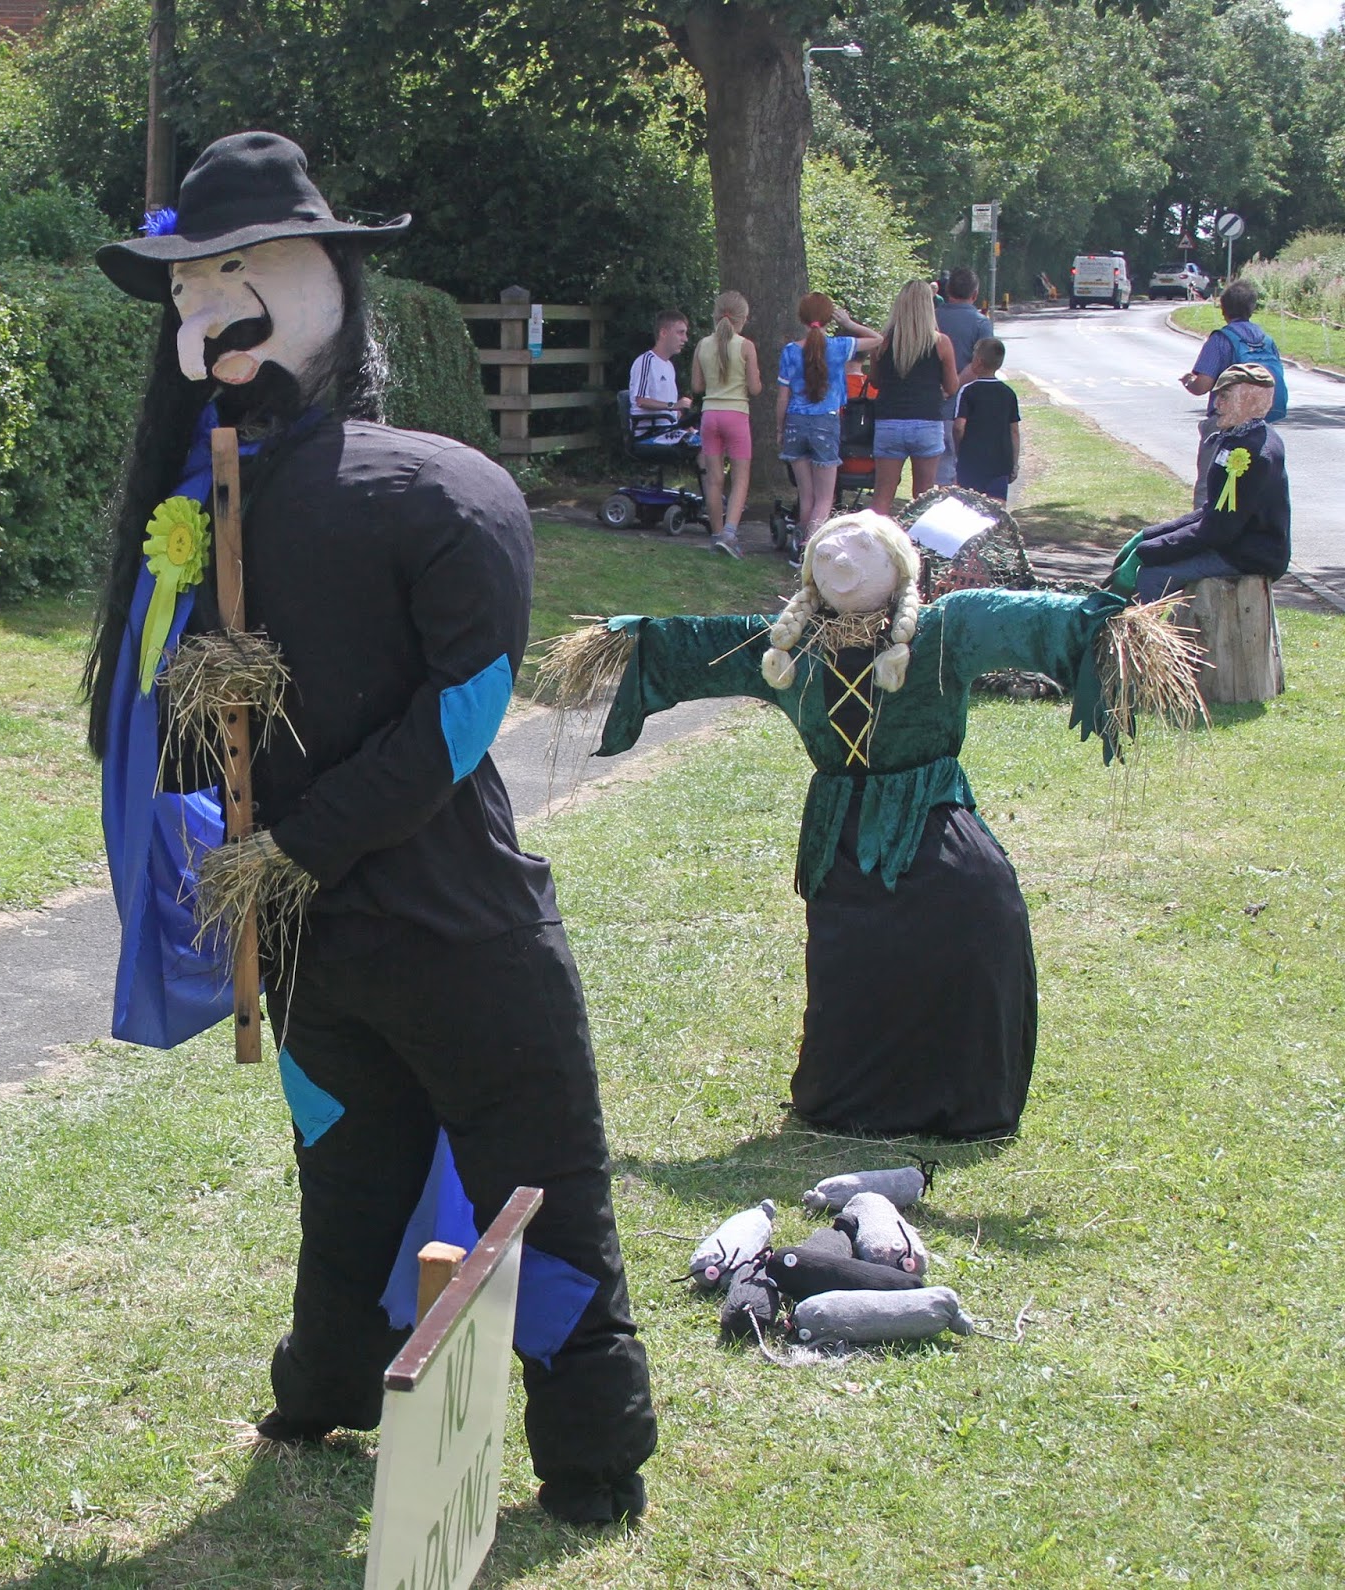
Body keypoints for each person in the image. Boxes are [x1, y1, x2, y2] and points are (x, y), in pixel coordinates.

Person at [85, 131, 656, 1525]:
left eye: (236, 274)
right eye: (184, 291)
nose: (205, 309)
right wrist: (191, 701)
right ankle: (326, 1380)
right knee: (345, 1177)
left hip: (463, 939)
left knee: (545, 1186)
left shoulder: (441, 492)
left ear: (333, 279)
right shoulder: (190, 521)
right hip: (313, 964)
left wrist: (300, 846)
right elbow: (167, 751)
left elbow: (465, 715)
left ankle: (590, 1454)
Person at [549, 512, 1194, 1139]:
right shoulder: (783, 646)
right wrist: (626, 640)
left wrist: (1109, 626)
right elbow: (691, 646)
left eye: (860, 548)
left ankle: (961, 1100)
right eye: (827, 550)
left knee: (965, 945)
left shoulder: (946, 631)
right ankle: (850, 1098)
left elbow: (1036, 624)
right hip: (842, 840)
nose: (841, 559)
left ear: (899, 565)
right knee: (852, 968)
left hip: (935, 830)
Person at [1116, 363, 1289, 603]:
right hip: (1234, 544)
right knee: (1146, 552)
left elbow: (1218, 530)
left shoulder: (1251, 452)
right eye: (1216, 396)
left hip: (1248, 555)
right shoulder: (1241, 438)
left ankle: (1138, 639)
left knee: (1152, 576)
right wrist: (1148, 535)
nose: (1217, 404)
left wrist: (1151, 550)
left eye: (1225, 396)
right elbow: (1213, 510)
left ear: (1250, 400)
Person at [775, 292, 880, 562]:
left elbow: (782, 398)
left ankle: (798, 541)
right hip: (826, 422)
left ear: (802, 318)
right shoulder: (839, 346)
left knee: (806, 495)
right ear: (828, 318)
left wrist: (779, 428)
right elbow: (879, 340)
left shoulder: (789, 351)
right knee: (825, 498)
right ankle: (809, 550)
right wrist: (850, 322)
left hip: (795, 423)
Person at [1180, 279, 1283, 509]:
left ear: (1224, 309)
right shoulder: (1267, 341)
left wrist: (1189, 381)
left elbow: (1203, 385)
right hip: (1260, 424)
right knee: (1255, 483)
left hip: (1223, 424)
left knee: (1209, 483)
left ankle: (1202, 533)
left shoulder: (1221, 339)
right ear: (1251, 308)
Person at [869, 280, 960, 516]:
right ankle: (921, 547)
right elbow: (952, 385)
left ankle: (874, 545)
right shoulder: (940, 343)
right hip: (926, 420)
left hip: (889, 420)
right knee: (924, 496)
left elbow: (876, 382)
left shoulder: (883, 341)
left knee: (882, 495)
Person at [692, 289, 762, 559]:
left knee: (714, 479)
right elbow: (754, 389)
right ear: (743, 319)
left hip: (710, 415)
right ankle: (730, 534)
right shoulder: (746, 346)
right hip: (736, 415)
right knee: (741, 477)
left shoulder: (702, 345)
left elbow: (697, 386)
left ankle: (716, 533)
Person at [933, 268, 992, 487]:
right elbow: (981, 363)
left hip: (932, 405)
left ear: (947, 291)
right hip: (966, 408)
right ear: (975, 294)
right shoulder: (980, 323)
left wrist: (945, 385)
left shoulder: (933, 318)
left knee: (938, 471)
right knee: (964, 469)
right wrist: (955, 384)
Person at [952, 336, 1021, 502]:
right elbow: (1014, 431)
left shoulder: (968, 391)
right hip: (1000, 459)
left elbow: (959, 426)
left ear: (978, 361)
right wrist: (1014, 463)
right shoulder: (1008, 393)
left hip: (972, 459)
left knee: (970, 505)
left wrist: (958, 449)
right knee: (997, 507)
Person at [628, 309, 696, 445]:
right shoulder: (646, 361)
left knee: (709, 439)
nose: (685, 339)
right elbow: (641, 401)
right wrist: (674, 405)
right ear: (664, 333)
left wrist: (684, 421)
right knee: (703, 446)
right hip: (649, 433)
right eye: (680, 333)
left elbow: (670, 410)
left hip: (668, 429)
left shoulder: (669, 366)